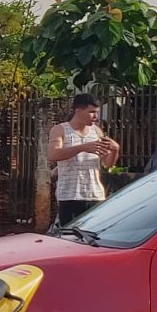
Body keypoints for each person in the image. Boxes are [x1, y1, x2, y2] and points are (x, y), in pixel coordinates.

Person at [47, 93, 118, 226]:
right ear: (78, 111)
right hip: (69, 194)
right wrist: (83, 147)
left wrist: (115, 150)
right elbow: (53, 154)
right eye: (92, 112)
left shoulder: (96, 132)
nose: (95, 117)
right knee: (70, 236)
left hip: (94, 194)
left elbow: (108, 163)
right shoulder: (60, 130)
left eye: (97, 112)